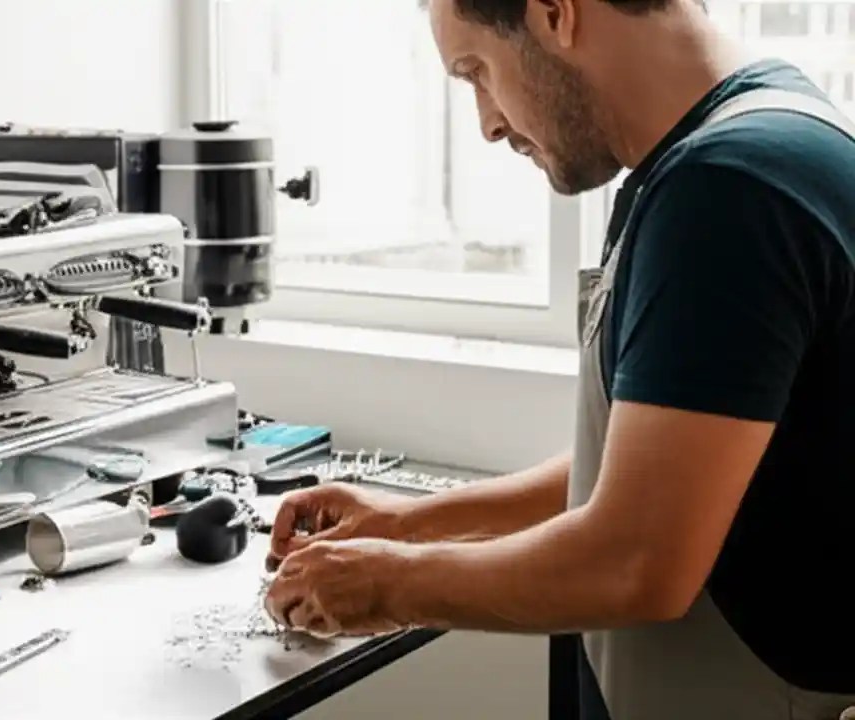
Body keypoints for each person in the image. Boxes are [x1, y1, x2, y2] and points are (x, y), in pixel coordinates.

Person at [262, 0, 855, 717]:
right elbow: (662, 467)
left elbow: (637, 560)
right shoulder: (764, 136)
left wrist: (388, 583)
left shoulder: (729, 190)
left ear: (554, 13)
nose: (487, 123)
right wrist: (409, 523)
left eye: (477, 71)